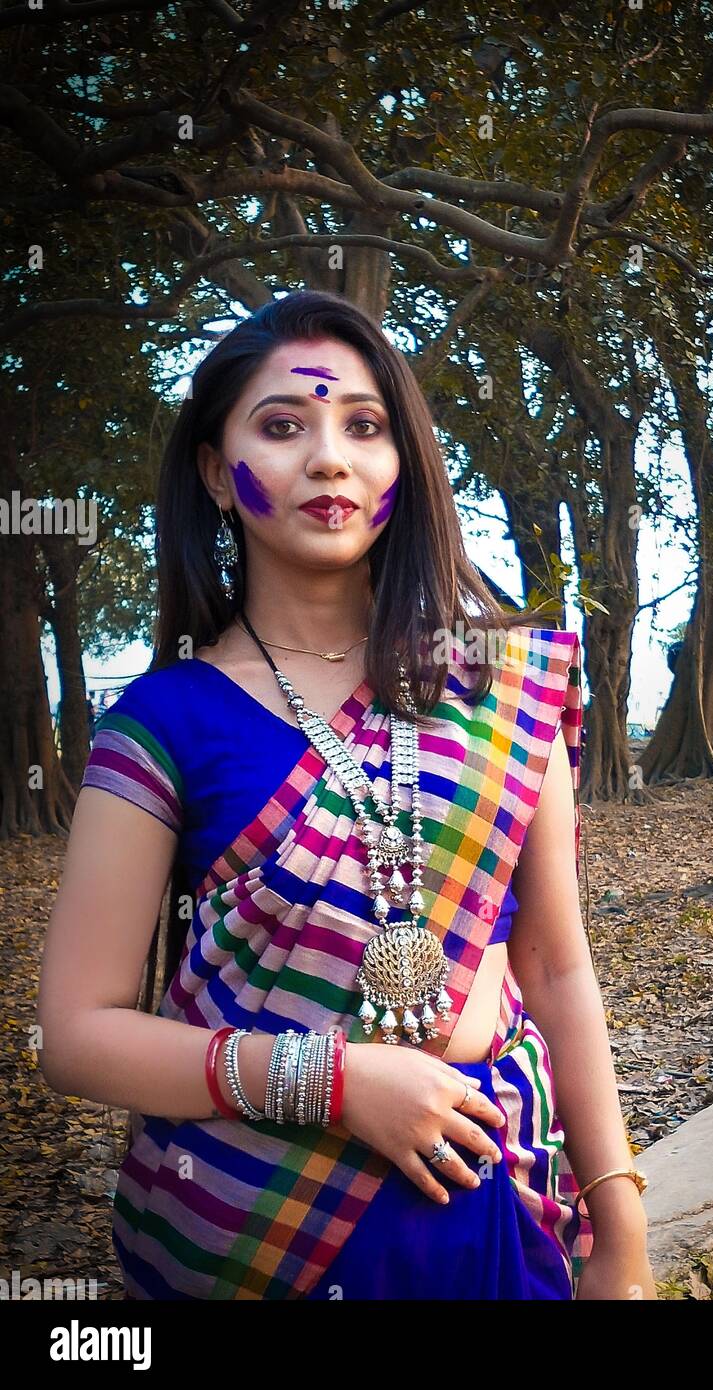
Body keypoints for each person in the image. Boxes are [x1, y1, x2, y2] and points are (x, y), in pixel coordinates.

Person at [37, 290, 654, 1302]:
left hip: (494, 1210)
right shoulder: (163, 720)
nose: (329, 457)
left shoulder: (497, 689)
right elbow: (78, 1032)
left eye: (363, 426)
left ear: (400, 462)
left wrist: (619, 1224)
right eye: (282, 426)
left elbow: (551, 963)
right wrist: (335, 1080)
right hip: (248, 1229)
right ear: (213, 473)